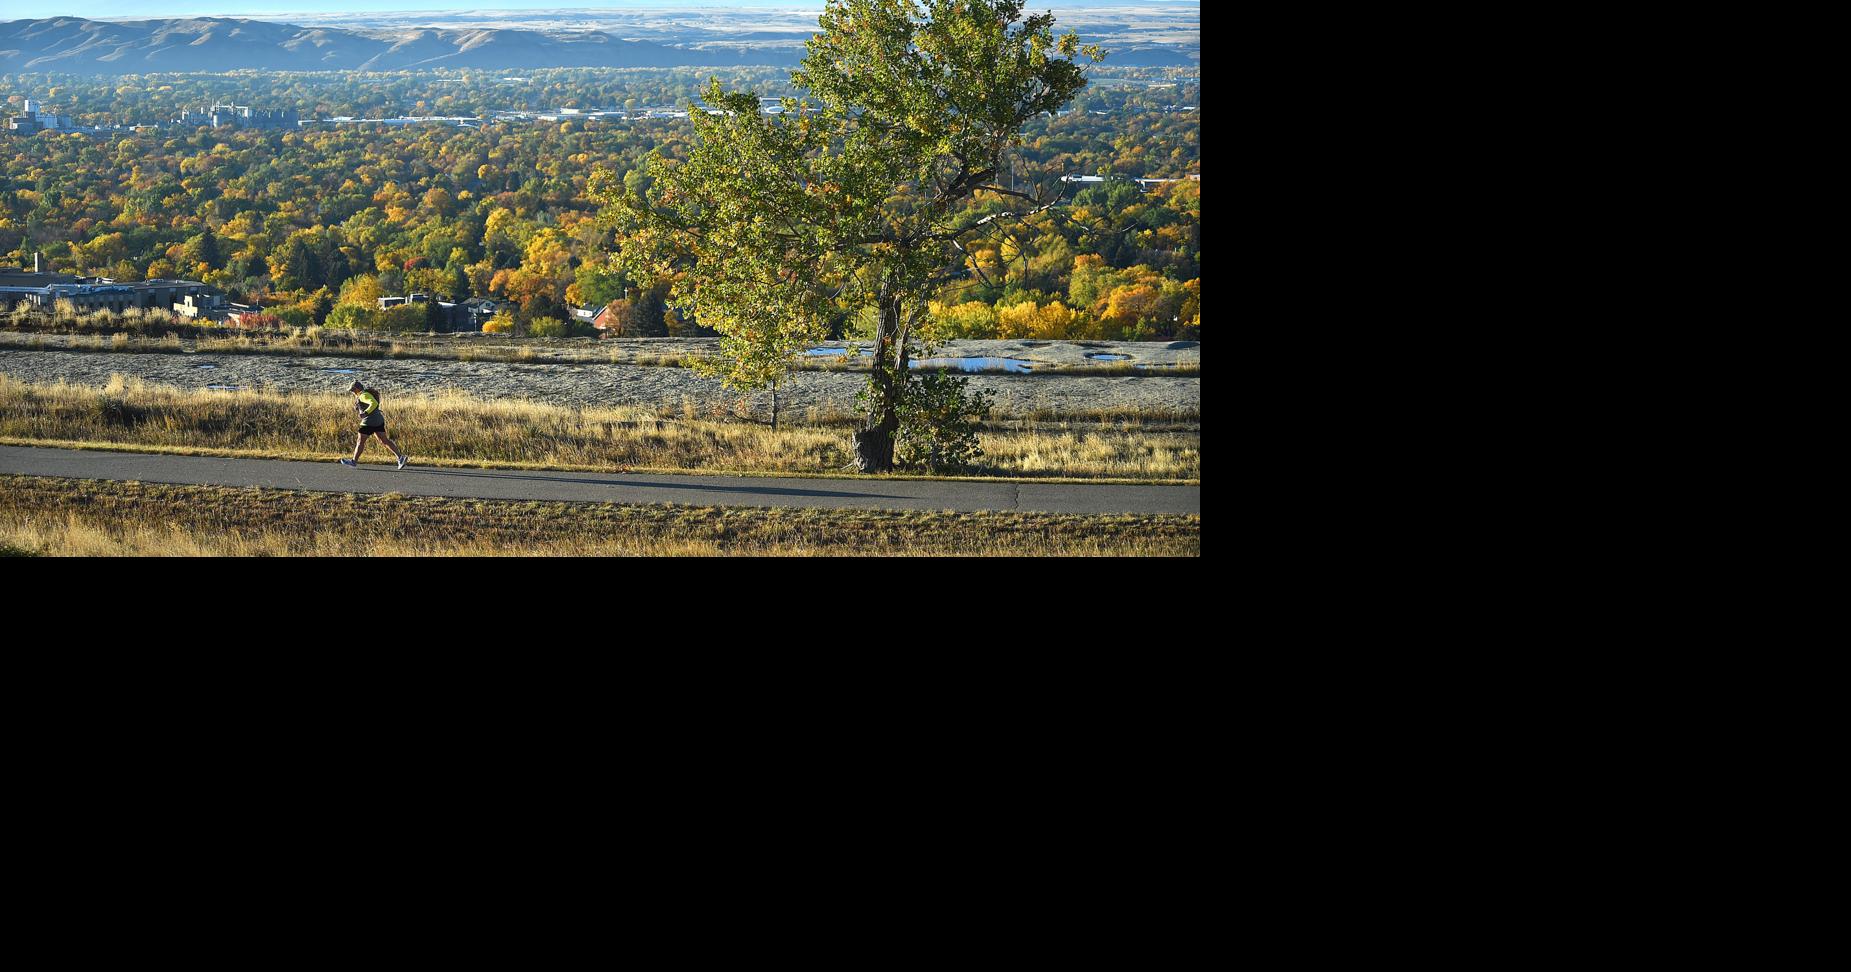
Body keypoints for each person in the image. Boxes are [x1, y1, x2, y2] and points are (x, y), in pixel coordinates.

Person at [339, 380, 409, 469]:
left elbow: (374, 403)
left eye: (352, 390)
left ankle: (353, 462)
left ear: (356, 389)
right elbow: (371, 404)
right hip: (378, 419)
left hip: (369, 421)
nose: (352, 392)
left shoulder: (363, 395)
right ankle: (400, 457)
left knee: (360, 441)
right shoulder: (363, 395)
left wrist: (365, 413)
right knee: (384, 440)